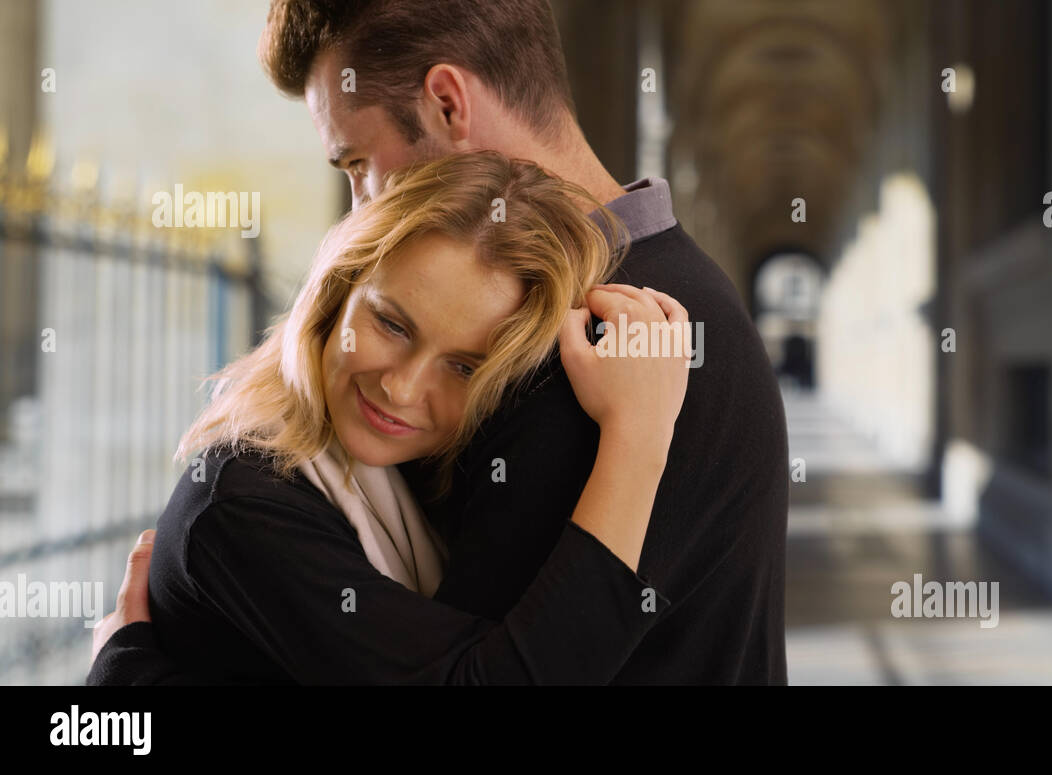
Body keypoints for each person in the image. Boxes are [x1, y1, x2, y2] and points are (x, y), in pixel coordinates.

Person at [90, 0, 789, 684]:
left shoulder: (600, 351)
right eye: (393, 322)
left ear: (447, 104)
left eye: (357, 163)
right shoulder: (678, 300)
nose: (363, 210)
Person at [95, 150, 689, 684]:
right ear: (337, 290)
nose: (402, 389)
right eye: (392, 324)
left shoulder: (415, 475)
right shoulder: (241, 503)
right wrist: (638, 435)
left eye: (463, 368)